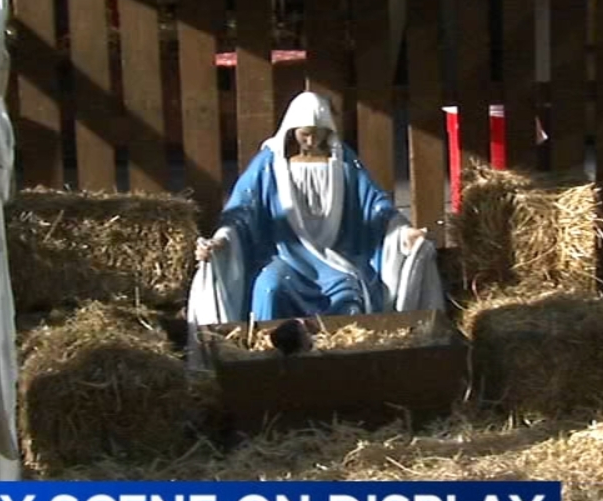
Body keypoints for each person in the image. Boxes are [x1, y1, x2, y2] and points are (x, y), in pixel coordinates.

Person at [187, 91, 443, 336]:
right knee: (270, 287)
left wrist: (403, 231)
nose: (310, 142)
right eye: (305, 134)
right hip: (283, 258)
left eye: (317, 135)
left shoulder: (343, 163)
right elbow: (241, 212)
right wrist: (221, 241)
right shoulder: (269, 164)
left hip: (336, 257)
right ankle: (267, 354)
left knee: (350, 295)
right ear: (292, 130)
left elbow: (375, 204)